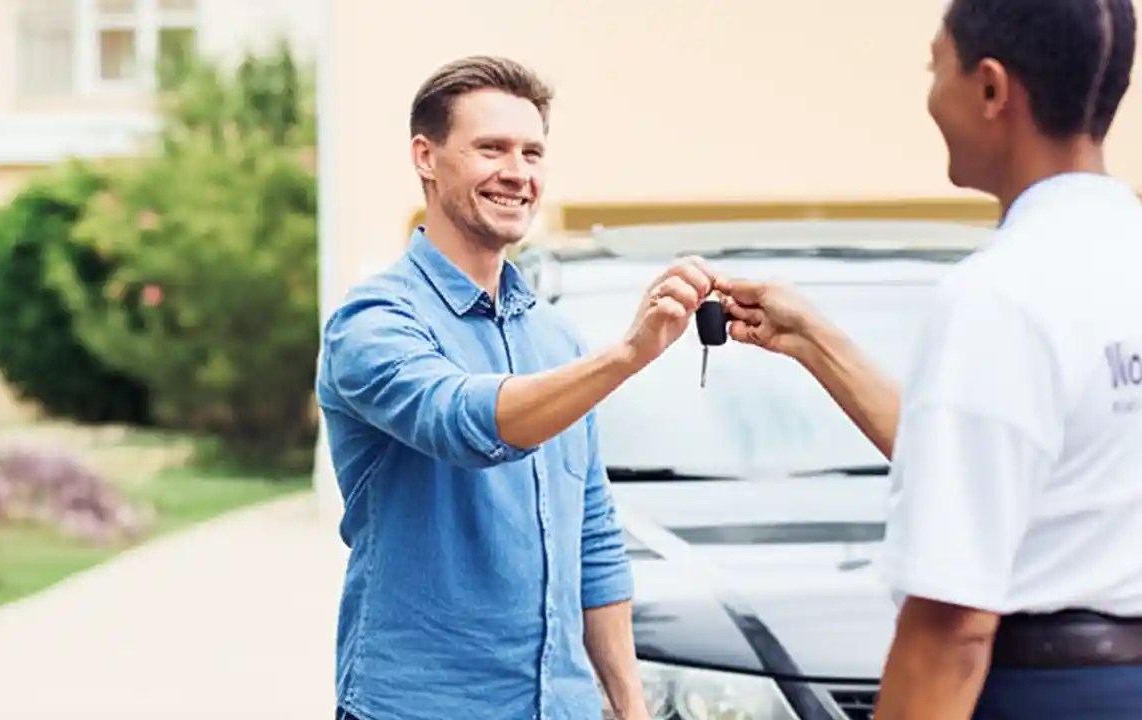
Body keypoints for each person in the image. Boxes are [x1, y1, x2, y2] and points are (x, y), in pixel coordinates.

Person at [716, 0, 1142, 717]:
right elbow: (1004, 474)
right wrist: (815, 342)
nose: (931, 96)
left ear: (990, 89)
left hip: (1041, 694)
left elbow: (952, 629)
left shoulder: (1001, 294)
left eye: (935, 67)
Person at [315, 55, 717, 720]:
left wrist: (630, 705)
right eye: (491, 148)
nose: (517, 172)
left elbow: (593, 536)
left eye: (532, 152)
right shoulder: (372, 323)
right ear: (425, 157)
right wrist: (628, 355)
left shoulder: (557, 339)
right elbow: (465, 423)